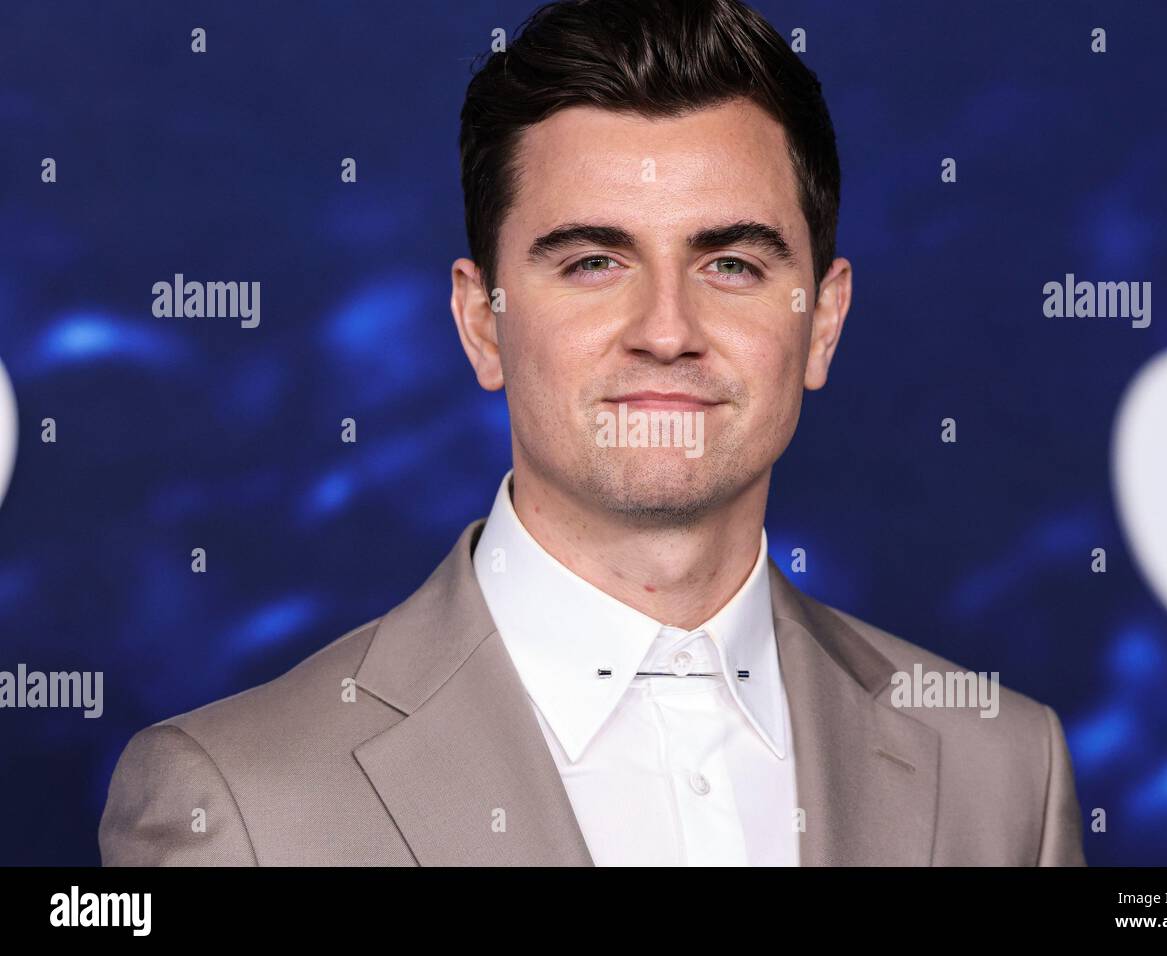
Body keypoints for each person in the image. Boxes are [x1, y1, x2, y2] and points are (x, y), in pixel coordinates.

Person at [99, 0, 1086, 866]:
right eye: (592, 262)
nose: (666, 330)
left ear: (820, 321)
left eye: (732, 263)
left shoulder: (1003, 768)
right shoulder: (237, 800)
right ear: (482, 320)